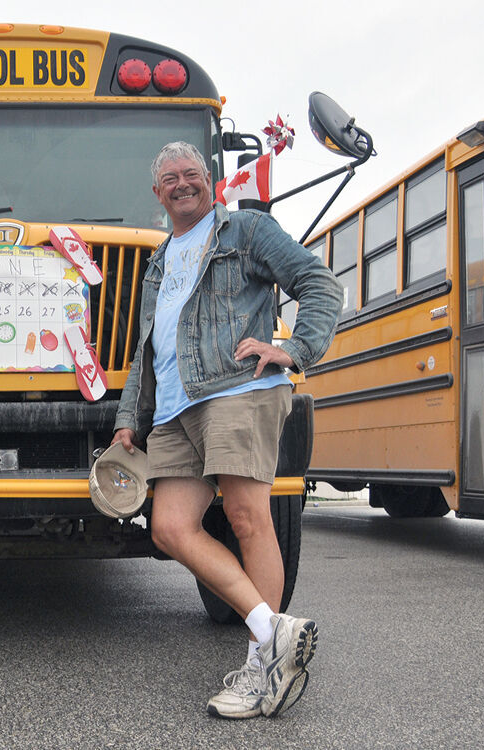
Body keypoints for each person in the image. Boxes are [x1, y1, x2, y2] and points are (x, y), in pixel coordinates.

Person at [112, 142, 342, 720]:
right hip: (172, 411)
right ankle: (274, 634)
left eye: (192, 173)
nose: (182, 183)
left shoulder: (246, 230)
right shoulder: (159, 260)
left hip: (237, 390)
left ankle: (264, 667)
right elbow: (147, 350)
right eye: (170, 177)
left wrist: (294, 349)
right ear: (157, 192)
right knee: (168, 527)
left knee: (247, 519)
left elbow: (319, 282)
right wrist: (127, 422)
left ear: (210, 180)